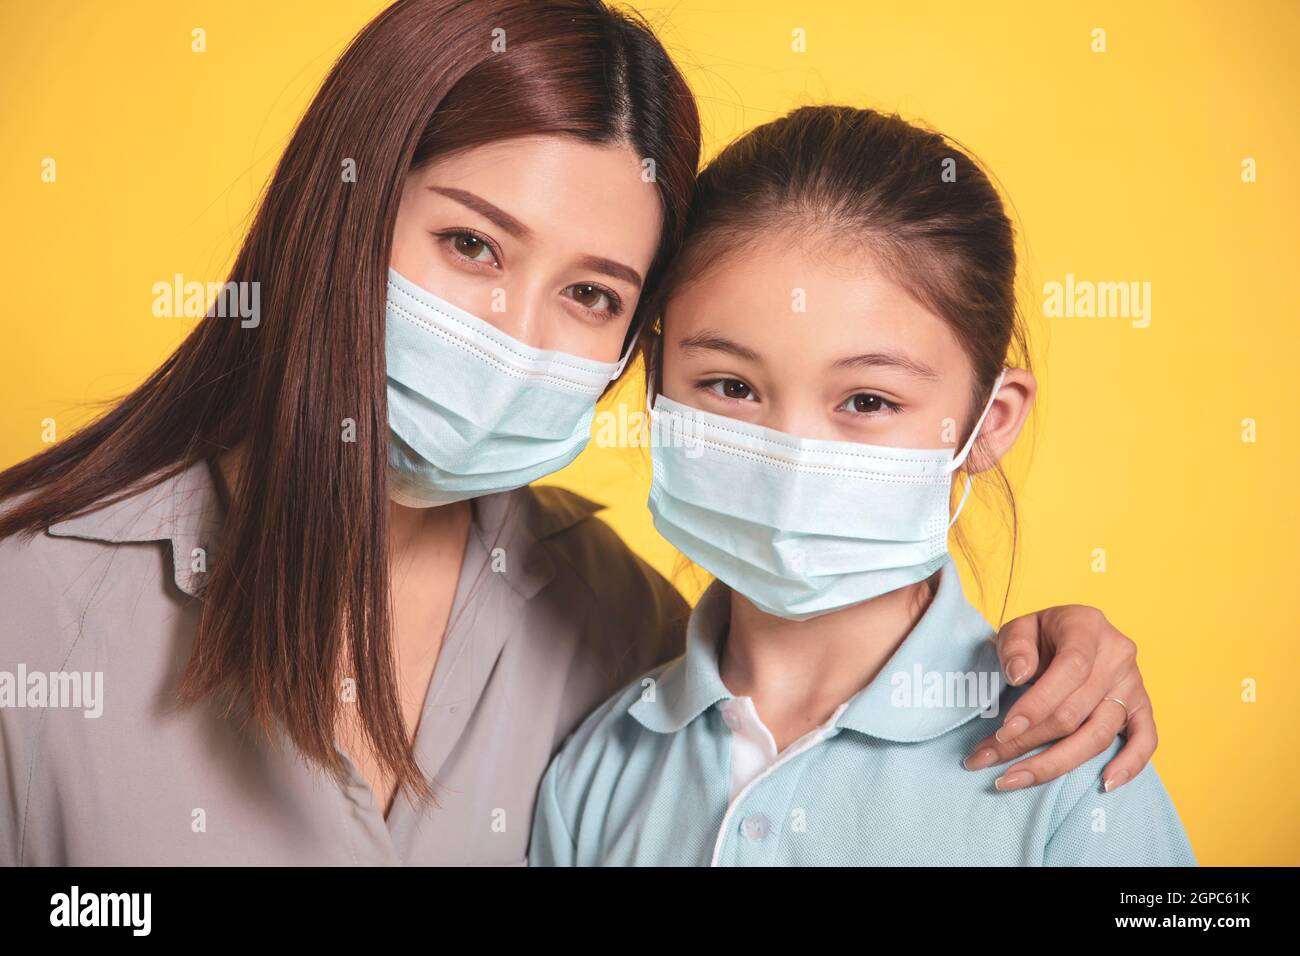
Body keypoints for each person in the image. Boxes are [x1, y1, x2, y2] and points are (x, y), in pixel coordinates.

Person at [1, 1, 1157, 866]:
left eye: (594, 293)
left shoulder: (621, 631)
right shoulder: (30, 602)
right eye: (470, 246)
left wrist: (1062, 652)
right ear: (339, 210)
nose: (513, 332)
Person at [528, 106, 1195, 866]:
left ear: (989, 421)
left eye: (867, 401)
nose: (790, 456)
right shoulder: (596, 774)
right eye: (730, 386)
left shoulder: (1070, 765)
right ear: (655, 384)